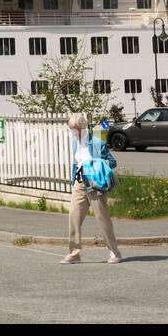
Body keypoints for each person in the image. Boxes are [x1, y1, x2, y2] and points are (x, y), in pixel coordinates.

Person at [61, 113, 122, 264]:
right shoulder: (75, 142)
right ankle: (74, 253)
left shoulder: (96, 143)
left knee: (102, 218)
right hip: (80, 183)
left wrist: (98, 163)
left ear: (83, 127)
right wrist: (74, 179)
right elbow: (76, 163)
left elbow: (112, 162)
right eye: (72, 130)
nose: (74, 133)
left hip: (95, 183)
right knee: (73, 216)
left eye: (76, 129)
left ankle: (115, 252)